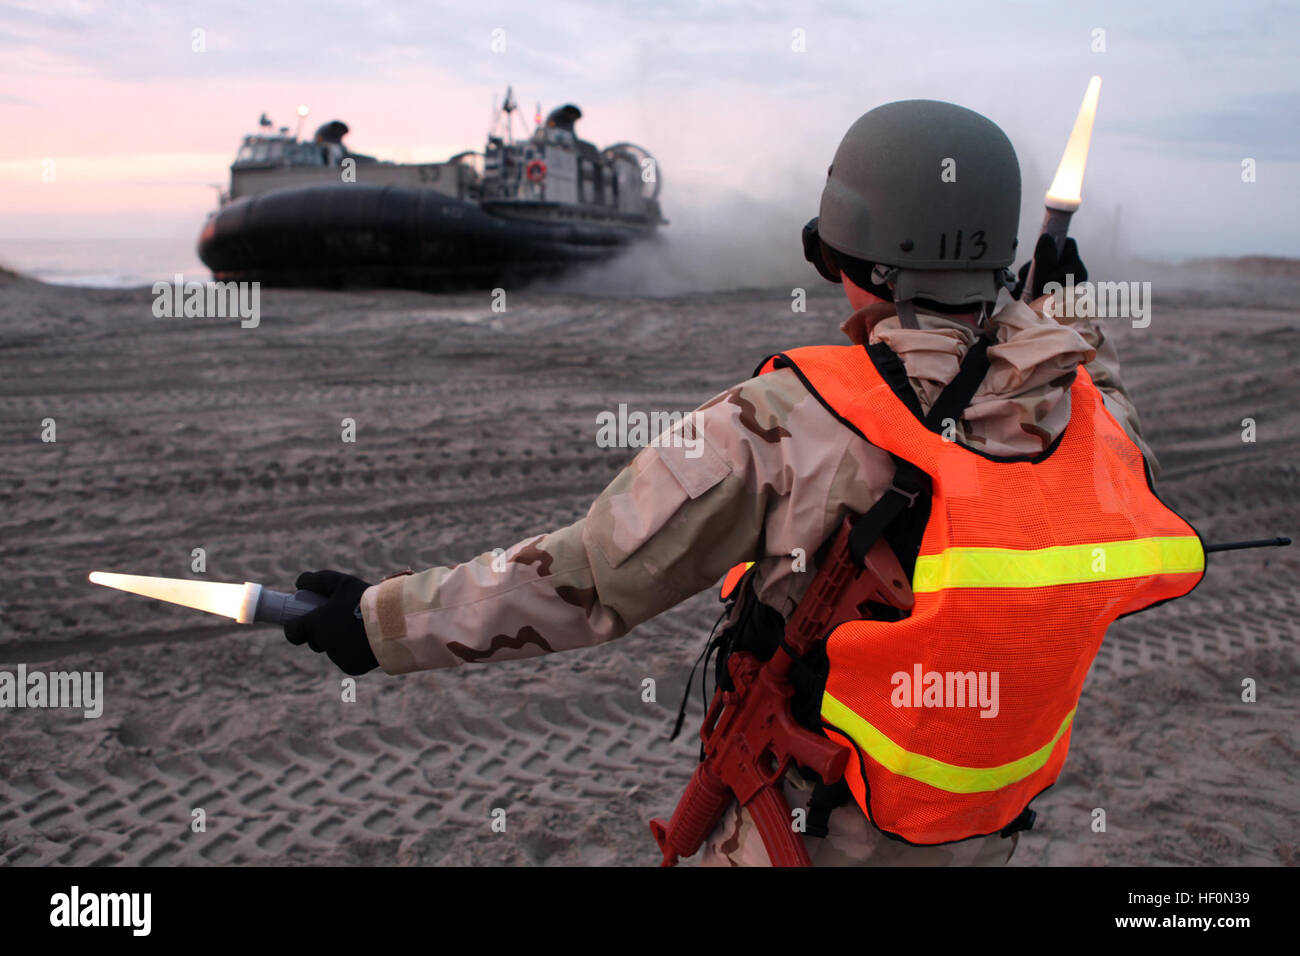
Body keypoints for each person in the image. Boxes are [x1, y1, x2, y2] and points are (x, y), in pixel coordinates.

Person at [282, 100, 1204, 866]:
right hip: (977, 829)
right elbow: (1102, 400)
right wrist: (1067, 314)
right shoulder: (1090, 410)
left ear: (846, 254)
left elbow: (588, 579)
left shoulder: (787, 419)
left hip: (810, 830)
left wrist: (376, 622)